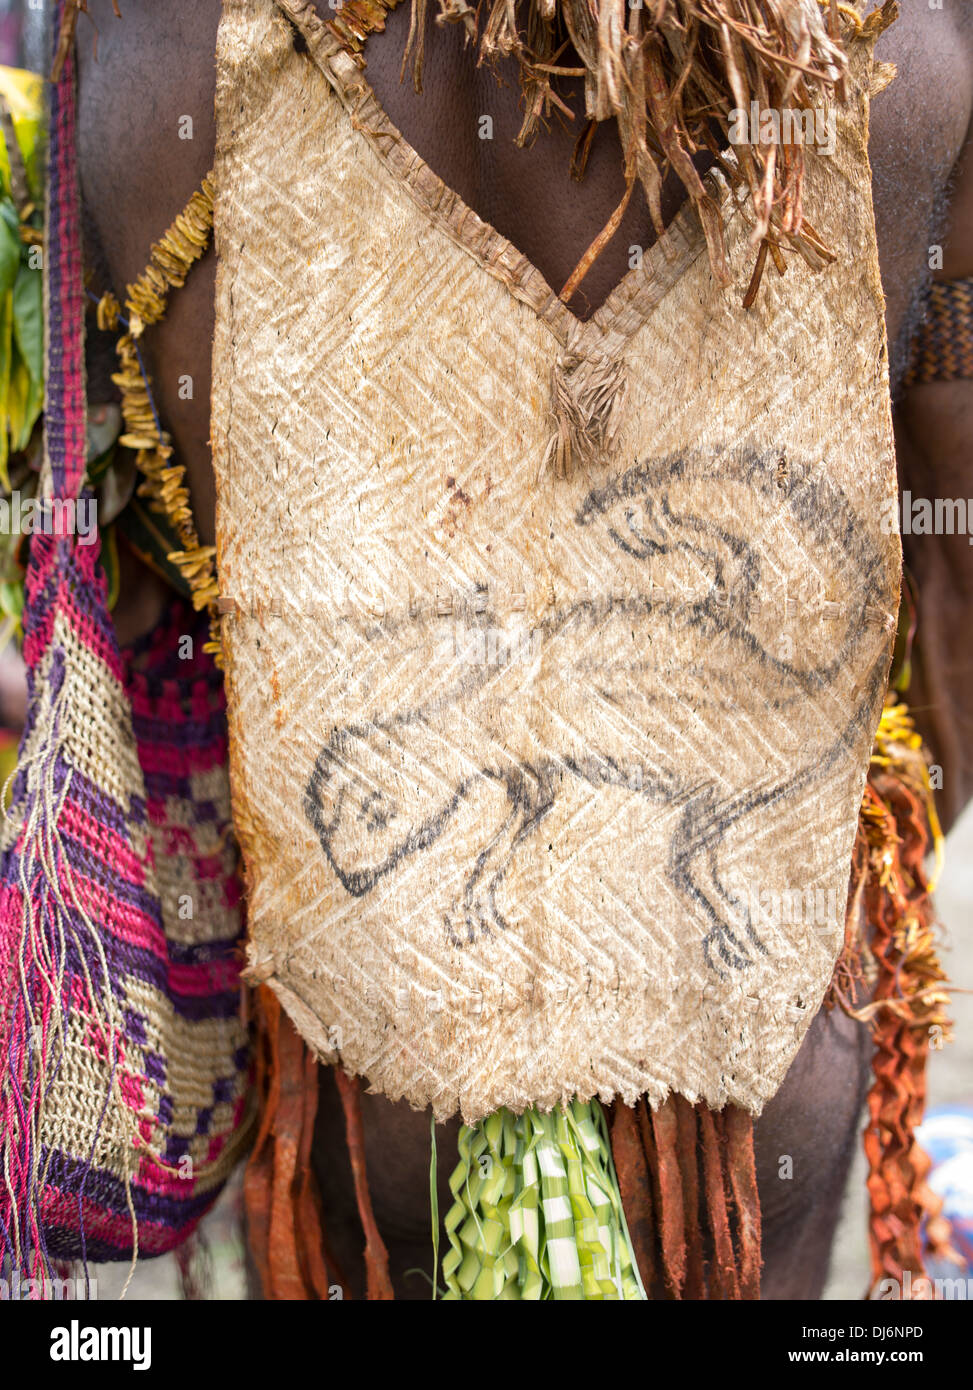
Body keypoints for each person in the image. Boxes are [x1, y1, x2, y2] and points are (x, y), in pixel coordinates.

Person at [72, 0, 973, 1297]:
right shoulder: (901, 33)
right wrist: (780, 831)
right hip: (737, 1089)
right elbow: (951, 582)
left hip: (361, 1076)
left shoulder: (157, 39)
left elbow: (122, 597)